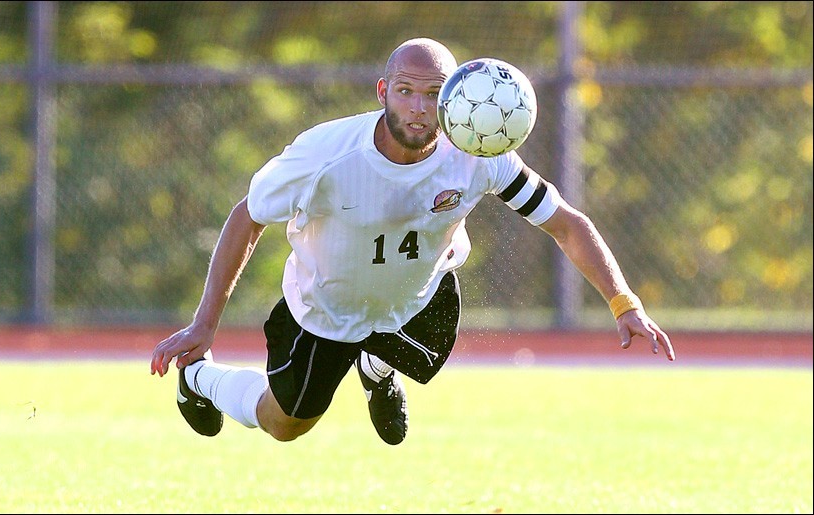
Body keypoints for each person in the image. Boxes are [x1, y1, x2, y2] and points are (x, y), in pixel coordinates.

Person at [150, 37, 675, 445]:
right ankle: (200, 379)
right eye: (405, 91)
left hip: (417, 301)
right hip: (326, 310)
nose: (419, 108)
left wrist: (623, 302)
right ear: (383, 92)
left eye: (432, 93)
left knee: (419, 345)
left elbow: (565, 224)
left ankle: (378, 366)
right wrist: (204, 324)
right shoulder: (325, 155)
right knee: (285, 425)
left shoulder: (480, 153)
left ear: (451, 96)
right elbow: (247, 217)